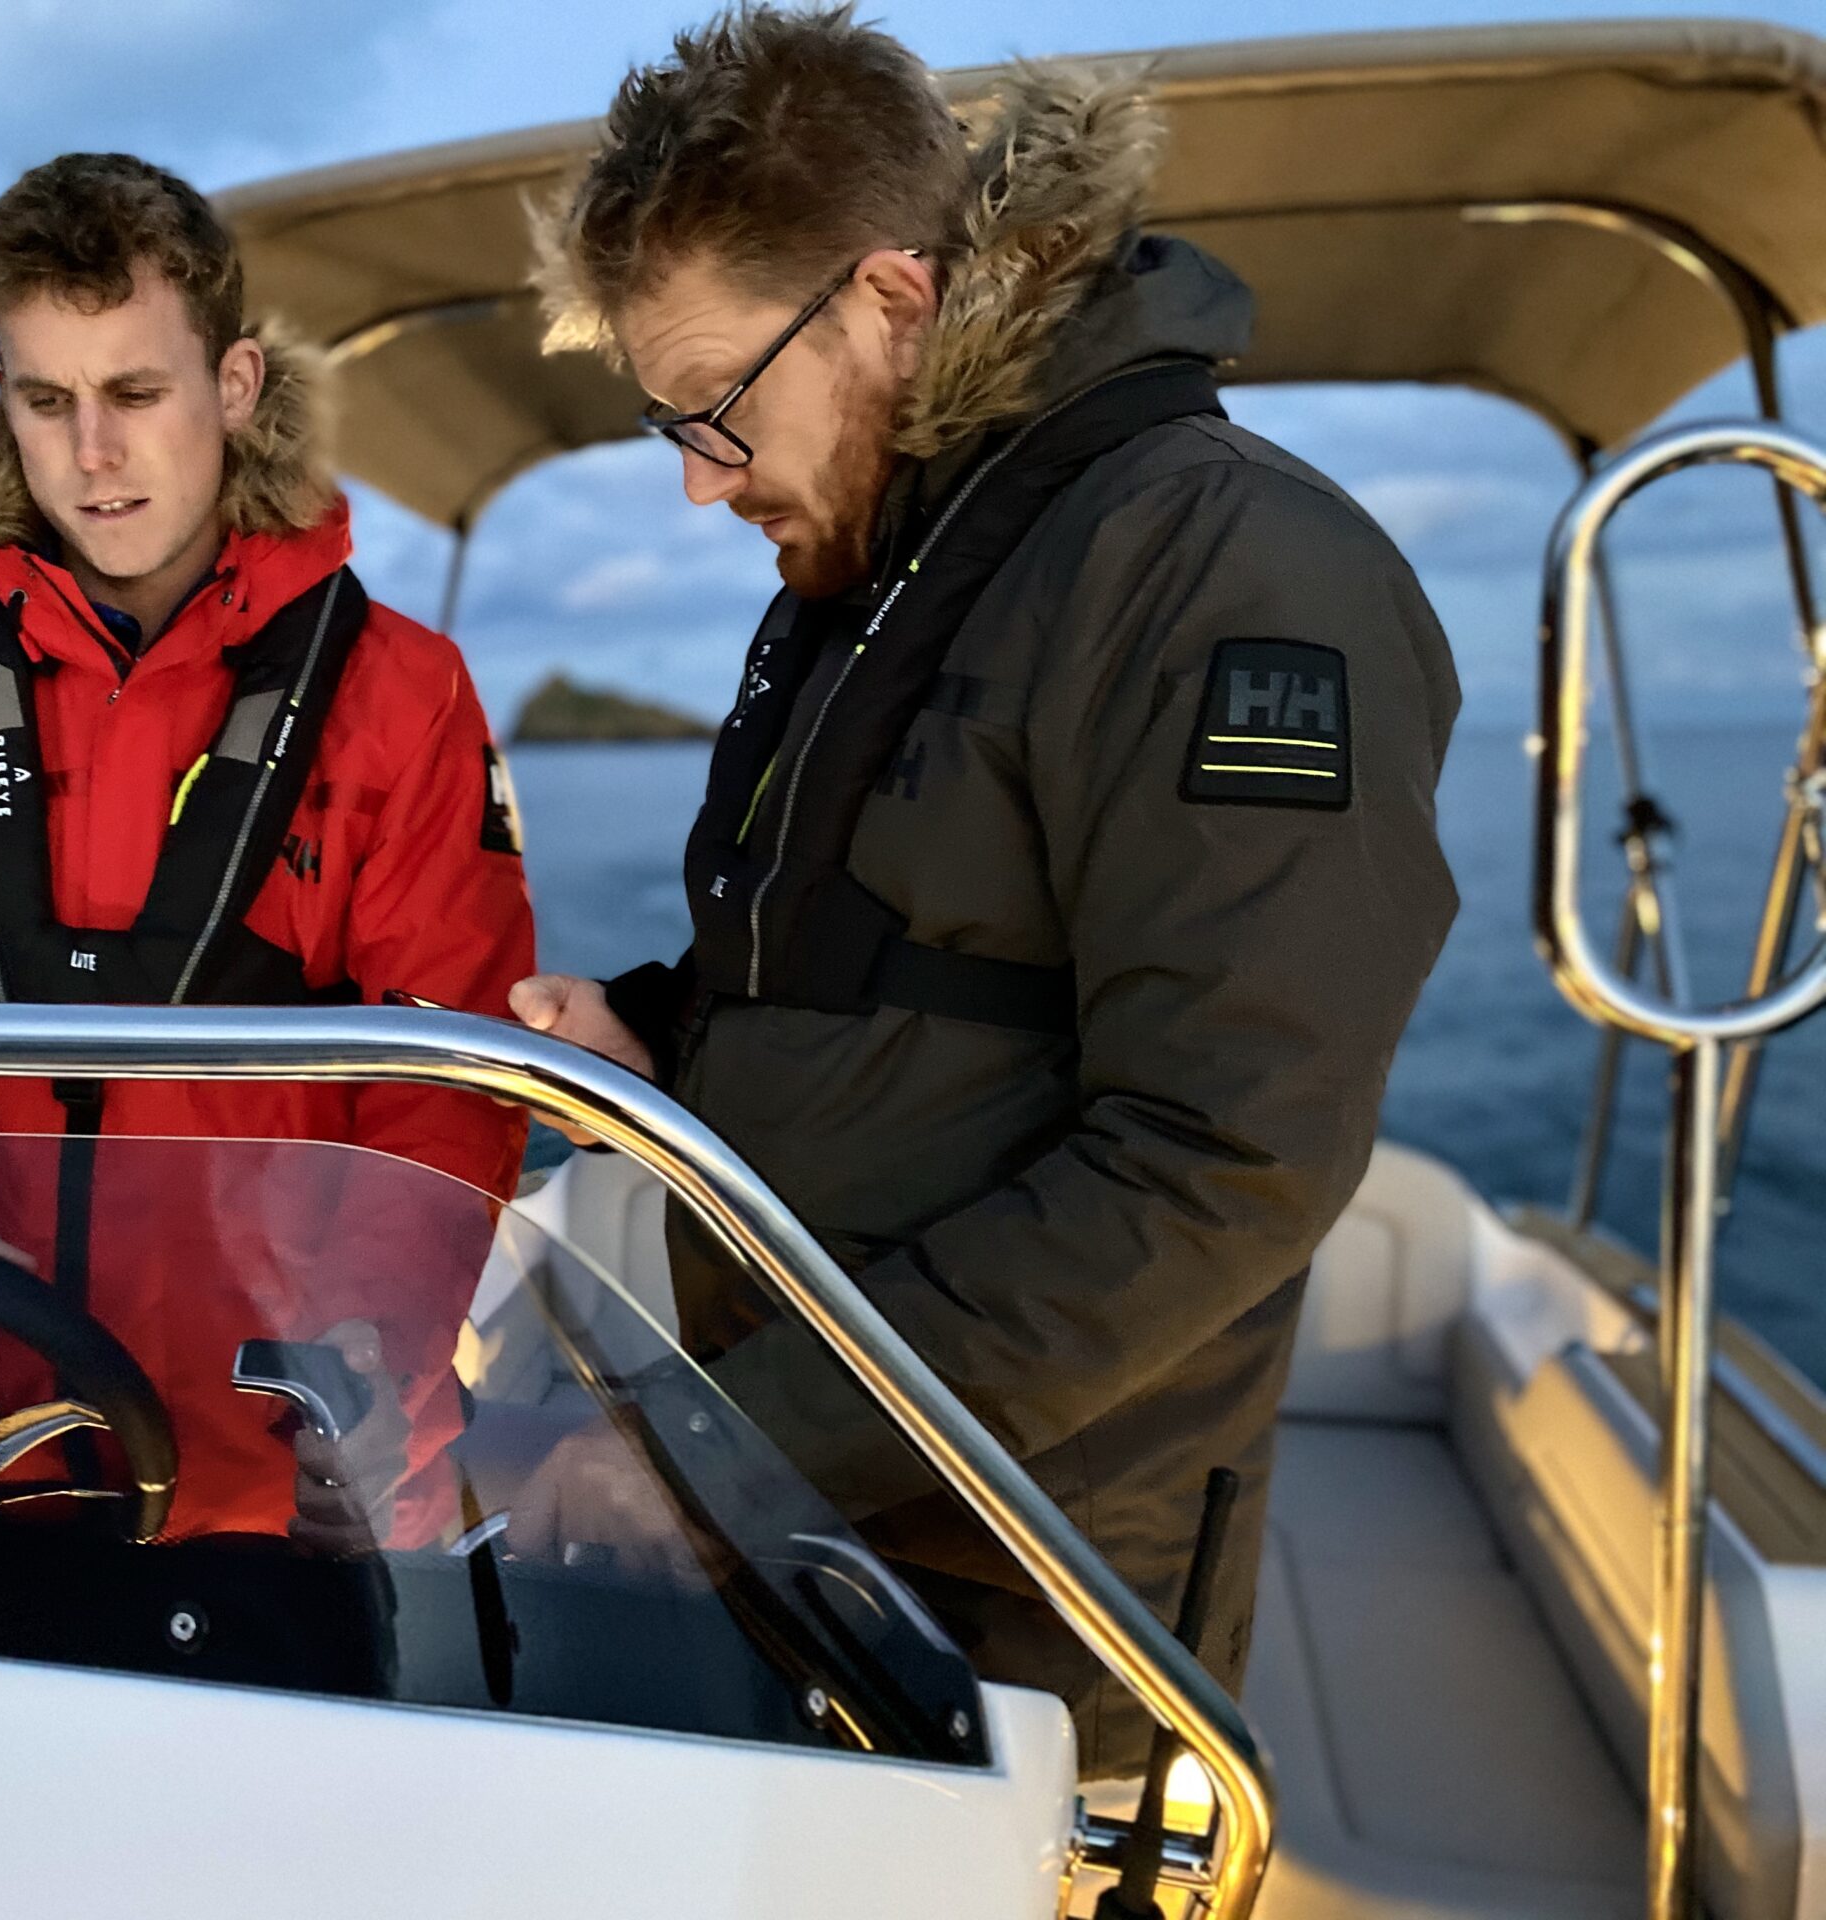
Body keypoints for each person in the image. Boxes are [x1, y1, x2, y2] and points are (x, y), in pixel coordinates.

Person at [510, 7, 1459, 1772]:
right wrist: (662, 1031)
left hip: (1029, 1590)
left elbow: (1221, 1158)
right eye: (668, 426)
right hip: (817, 1509)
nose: (706, 481)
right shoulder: (888, 554)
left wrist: (730, 1445)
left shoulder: (1232, 569)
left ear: (890, 296)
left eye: (716, 405)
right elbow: (900, 968)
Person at [0, 152, 535, 1553]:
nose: (92, 455)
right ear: (2, 400)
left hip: (299, 1478)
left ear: (233, 388)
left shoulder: (408, 692)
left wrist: (366, 1371)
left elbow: (448, 1084)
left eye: (137, 395)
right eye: (48, 400)